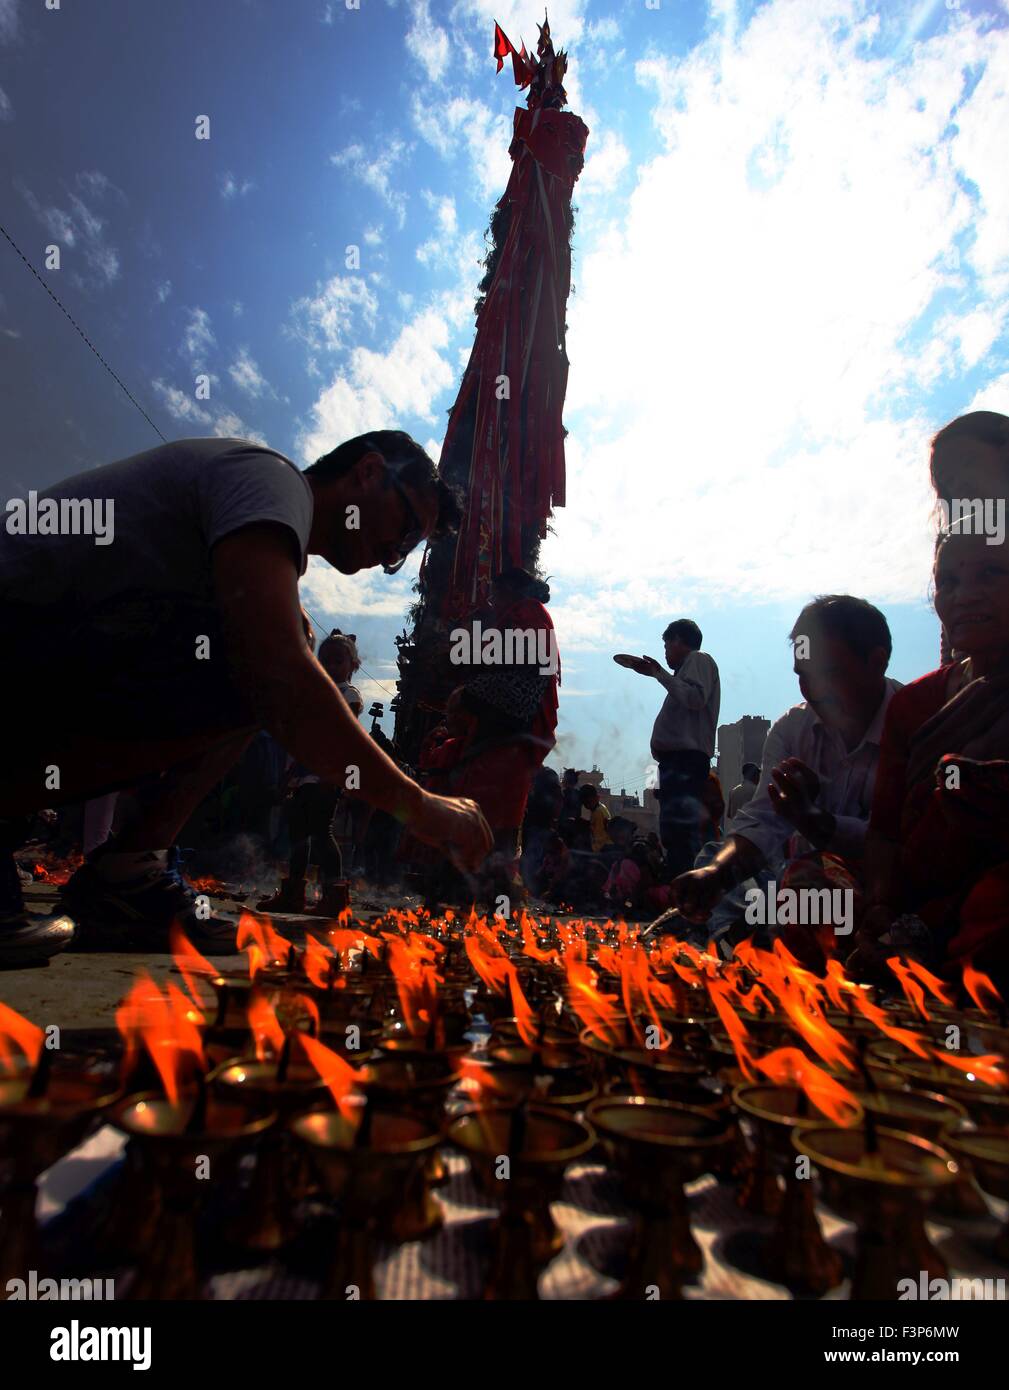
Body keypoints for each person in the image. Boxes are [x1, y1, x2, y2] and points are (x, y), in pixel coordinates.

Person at [0, 431, 492, 965]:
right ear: (369, 472)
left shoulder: (272, 522)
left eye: (404, 554)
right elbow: (277, 671)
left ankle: (127, 872)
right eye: (402, 532)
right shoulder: (270, 479)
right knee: (265, 653)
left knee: (272, 645)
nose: (392, 554)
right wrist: (416, 804)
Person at [674, 596, 899, 951]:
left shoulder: (911, 721)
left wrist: (819, 823)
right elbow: (761, 822)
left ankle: (755, 936)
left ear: (877, 662)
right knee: (714, 860)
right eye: (803, 676)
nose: (814, 691)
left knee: (809, 889)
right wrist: (715, 876)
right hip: (795, 883)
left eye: (828, 674)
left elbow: (899, 839)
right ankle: (743, 935)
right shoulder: (793, 729)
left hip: (881, 890)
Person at [852, 528, 1009, 985]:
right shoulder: (914, 705)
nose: (963, 597)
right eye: (949, 583)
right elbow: (884, 831)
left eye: (990, 574)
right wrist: (882, 907)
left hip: (989, 902)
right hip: (913, 901)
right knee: (807, 889)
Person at [257, 631, 363, 916]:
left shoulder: (348, 694)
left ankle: (335, 895)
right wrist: (287, 775)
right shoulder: (314, 695)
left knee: (321, 832)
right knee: (298, 835)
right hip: (302, 774)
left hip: (325, 775)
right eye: (325, 661)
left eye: (338, 661)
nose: (330, 667)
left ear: (353, 665)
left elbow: (349, 737)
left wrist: (336, 775)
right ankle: (293, 893)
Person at [614, 619, 720, 875]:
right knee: (674, 832)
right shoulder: (685, 672)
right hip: (676, 763)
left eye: (666, 644)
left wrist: (658, 673)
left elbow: (694, 698)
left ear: (679, 640)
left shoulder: (699, 659)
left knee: (680, 832)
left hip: (685, 761)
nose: (665, 650)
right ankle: (682, 890)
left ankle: (686, 894)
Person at [579, 783, 612, 852]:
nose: (586, 804)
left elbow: (599, 840)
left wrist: (590, 851)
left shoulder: (598, 813)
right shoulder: (601, 807)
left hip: (603, 851)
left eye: (587, 800)